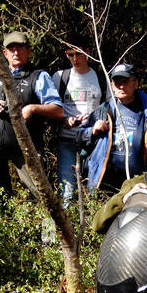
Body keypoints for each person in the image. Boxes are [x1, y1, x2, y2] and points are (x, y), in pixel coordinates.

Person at [0, 31, 62, 193]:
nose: (16, 53)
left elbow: (58, 110)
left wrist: (33, 108)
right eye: (11, 49)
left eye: (20, 48)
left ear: (29, 51)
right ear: (5, 53)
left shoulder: (38, 76)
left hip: (26, 149)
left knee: (40, 195)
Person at [80, 63, 147, 196]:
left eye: (125, 81)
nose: (121, 86)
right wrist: (92, 131)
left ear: (135, 83)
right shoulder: (104, 110)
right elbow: (79, 136)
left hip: (138, 184)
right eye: (116, 82)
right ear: (112, 86)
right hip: (104, 184)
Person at [53, 42, 105, 202]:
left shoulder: (100, 77)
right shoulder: (60, 77)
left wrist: (99, 123)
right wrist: (64, 120)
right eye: (71, 55)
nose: (75, 59)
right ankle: (67, 225)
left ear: (87, 52)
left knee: (95, 190)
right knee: (68, 193)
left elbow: (109, 108)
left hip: (94, 142)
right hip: (67, 140)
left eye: (79, 54)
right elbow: (51, 107)